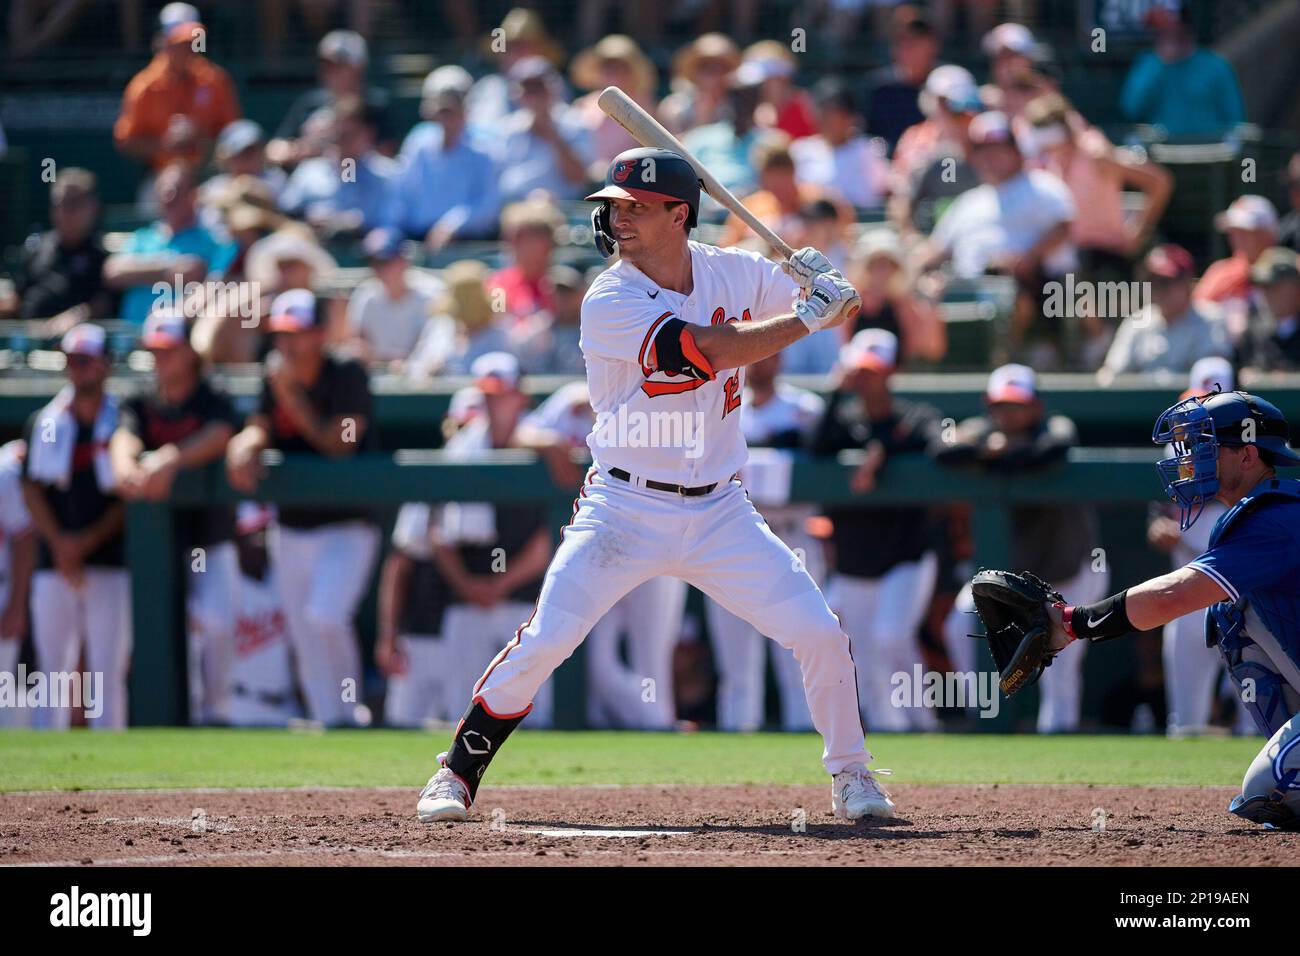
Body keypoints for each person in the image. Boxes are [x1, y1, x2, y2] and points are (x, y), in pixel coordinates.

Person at [415, 147, 889, 824]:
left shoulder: (732, 270)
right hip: (624, 506)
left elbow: (825, 301)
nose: (619, 218)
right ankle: (457, 773)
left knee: (818, 632)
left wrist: (823, 280)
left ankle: (852, 775)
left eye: (638, 207)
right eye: (614, 206)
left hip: (722, 508)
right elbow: (707, 352)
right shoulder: (610, 295)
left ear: (680, 215)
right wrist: (808, 315)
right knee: (549, 638)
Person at [1021, 389, 1300, 829]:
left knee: (1274, 787)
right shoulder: (1263, 511)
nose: (1190, 460)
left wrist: (1074, 622)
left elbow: (1174, 596)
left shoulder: (1272, 517)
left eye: (1206, 448)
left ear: (1248, 456)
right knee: (1231, 618)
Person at [225, 290, 380, 726]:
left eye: (296, 334)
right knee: (304, 632)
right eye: (280, 335)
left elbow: (342, 445)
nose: (287, 345)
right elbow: (259, 426)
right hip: (291, 526)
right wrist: (245, 444)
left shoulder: (346, 372)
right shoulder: (273, 377)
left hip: (347, 523)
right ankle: (328, 722)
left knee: (326, 616)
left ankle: (352, 713)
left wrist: (292, 398)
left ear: (318, 334)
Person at [934, 364, 1108, 733]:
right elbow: (942, 448)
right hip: (1013, 575)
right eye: (1001, 405)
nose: (1008, 414)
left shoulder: (1053, 429)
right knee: (959, 624)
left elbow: (1055, 448)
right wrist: (986, 449)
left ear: (1035, 406)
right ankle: (985, 718)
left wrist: (1003, 456)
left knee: (1059, 663)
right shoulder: (984, 432)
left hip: (1070, 568)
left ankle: (1058, 739)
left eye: (1017, 405)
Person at [110, 309, 239, 725]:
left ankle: (217, 713)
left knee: (217, 625)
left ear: (189, 352)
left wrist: (169, 459)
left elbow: (220, 434)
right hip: (155, 543)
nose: (160, 359)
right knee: (154, 634)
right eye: (155, 351)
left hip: (209, 536)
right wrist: (130, 466)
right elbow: (122, 438)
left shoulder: (210, 396)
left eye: (169, 351)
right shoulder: (140, 399)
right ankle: (171, 721)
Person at [811, 329, 942, 732]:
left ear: (891, 372)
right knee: (861, 655)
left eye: (874, 372)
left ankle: (925, 723)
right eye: (860, 372)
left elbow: (940, 444)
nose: (866, 380)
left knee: (890, 638)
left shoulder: (914, 416)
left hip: (905, 555)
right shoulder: (843, 420)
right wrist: (835, 393)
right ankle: (893, 733)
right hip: (854, 560)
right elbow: (815, 445)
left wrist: (883, 455)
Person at [434, 353, 555, 725]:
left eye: (501, 394)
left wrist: (501, 585)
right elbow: (439, 534)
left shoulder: (541, 447)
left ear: (520, 396)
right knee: (460, 710)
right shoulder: (460, 451)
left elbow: (549, 539)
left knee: (534, 715)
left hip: (525, 603)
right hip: (467, 598)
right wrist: (470, 586)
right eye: (487, 394)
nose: (493, 403)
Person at [706, 350, 822, 733]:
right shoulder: (719, 405)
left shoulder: (805, 409)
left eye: (770, 356)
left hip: (791, 534)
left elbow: (824, 461)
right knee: (737, 659)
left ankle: (806, 740)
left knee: (799, 649)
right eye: (754, 357)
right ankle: (738, 741)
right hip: (732, 537)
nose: (761, 364)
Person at [21, 325, 130, 729]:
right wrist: (62, 544)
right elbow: (32, 489)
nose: (77, 369)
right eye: (71, 361)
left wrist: (86, 542)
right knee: (51, 671)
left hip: (109, 558)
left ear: (105, 364)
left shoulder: (124, 417)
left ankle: (113, 762)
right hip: (55, 562)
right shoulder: (45, 421)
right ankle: (44, 770)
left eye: (85, 360)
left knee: (107, 671)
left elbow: (126, 495)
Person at [914, 111, 1076, 365]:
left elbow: (1064, 227)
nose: (990, 157)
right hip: (968, 286)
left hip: (1033, 287)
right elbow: (935, 250)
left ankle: (1007, 356)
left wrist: (1027, 258)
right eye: (982, 150)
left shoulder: (1041, 186)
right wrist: (919, 274)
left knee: (1014, 291)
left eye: (999, 149)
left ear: (1016, 151)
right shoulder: (969, 201)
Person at [1146, 359, 1238, 737]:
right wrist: (1158, 527)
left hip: (1244, 588)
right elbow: (1156, 514)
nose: (1202, 423)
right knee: (1185, 723)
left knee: (1260, 718)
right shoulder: (1176, 452)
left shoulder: (1258, 456)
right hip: (1185, 587)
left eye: (1212, 413)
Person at [102, 163, 236, 326]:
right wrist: (168, 270)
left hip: (178, 338)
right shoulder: (142, 238)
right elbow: (113, 272)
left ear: (192, 195)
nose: (169, 196)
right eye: (163, 190)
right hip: (130, 334)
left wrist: (173, 314)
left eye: (176, 190)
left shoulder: (210, 242)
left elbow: (216, 283)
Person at [113, 17, 240, 173]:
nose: (189, 50)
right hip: (161, 174)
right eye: (181, 44)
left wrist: (199, 136)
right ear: (164, 43)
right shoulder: (144, 86)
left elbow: (235, 132)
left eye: (192, 42)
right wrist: (164, 144)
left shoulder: (215, 79)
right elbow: (126, 141)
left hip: (210, 172)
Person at [394, 71, 500, 248]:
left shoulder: (485, 148)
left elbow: (488, 204)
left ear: (466, 108)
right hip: (417, 240)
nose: (447, 116)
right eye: (442, 109)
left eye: (454, 107)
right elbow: (402, 192)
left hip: (468, 243)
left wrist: (451, 226)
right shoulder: (418, 141)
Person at [376, 502, 457, 728]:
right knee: (402, 724)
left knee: (466, 729)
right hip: (418, 637)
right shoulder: (423, 503)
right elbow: (398, 568)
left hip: (468, 635)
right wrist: (388, 635)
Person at [1099, 244, 1229, 381]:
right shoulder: (1137, 322)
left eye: (1165, 282)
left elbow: (1213, 380)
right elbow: (1111, 375)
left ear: (1187, 282)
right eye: (1151, 281)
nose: (1158, 289)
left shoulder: (1211, 319)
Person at [268, 30, 396, 167]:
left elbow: (386, 154)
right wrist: (302, 149)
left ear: (359, 67)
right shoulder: (310, 102)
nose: (329, 71)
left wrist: (336, 147)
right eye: (326, 65)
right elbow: (273, 150)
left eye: (338, 65)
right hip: (310, 180)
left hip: (355, 176)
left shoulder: (375, 105)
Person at [224, 504, 301, 727]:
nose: (261, 540)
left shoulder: (283, 579)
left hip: (286, 706)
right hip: (241, 703)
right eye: (253, 534)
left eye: (265, 532)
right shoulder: (225, 584)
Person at [278, 97, 399, 238]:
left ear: (367, 133)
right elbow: (287, 213)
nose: (342, 141)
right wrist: (309, 219)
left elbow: (394, 223)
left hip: (366, 250)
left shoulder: (387, 174)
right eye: (337, 134)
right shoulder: (310, 171)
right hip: (315, 248)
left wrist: (355, 222)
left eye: (349, 135)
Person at [1119, 4, 1244, 139]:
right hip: (1161, 150)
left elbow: (1236, 119)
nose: (1169, 34)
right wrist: (1161, 63)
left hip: (1208, 150)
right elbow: (1131, 109)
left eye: (1173, 29)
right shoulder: (1148, 63)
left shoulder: (1216, 65)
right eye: (1163, 31)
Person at [10, 168, 113, 328]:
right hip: (27, 339)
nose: (66, 211)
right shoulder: (35, 249)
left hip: (76, 344)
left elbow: (103, 303)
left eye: (74, 203)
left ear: (93, 207)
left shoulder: (102, 256)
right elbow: (16, 300)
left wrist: (76, 316)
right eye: (60, 203)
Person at [494, 57, 594, 204]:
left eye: (538, 88)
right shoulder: (508, 129)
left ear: (553, 89)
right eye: (527, 90)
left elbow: (578, 177)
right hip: (515, 211)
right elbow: (499, 181)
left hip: (563, 210)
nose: (533, 96)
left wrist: (551, 134)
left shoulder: (574, 122)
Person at [844, 228, 946, 365]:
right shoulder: (850, 304)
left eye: (889, 264)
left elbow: (931, 350)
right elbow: (841, 348)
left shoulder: (904, 304)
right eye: (876, 264)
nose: (882, 271)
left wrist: (932, 305)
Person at [345, 227, 442, 365]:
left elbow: (435, 349)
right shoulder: (365, 294)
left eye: (385, 262)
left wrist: (408, 364)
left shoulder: (431, 294)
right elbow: (357, 341)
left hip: (419, 378)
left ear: (403, 260)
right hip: (375, 376)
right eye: (373, 262)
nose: (378, 269)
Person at [791, 79, 890, 211]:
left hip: (863, 227)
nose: (825, 118)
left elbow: (884, 193)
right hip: (814, 226)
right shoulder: (799, 151)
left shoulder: (870, 150)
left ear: (850, 116)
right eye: (821, 110)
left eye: (833, 111)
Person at [569, 34, 659, 177]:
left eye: (620, 66)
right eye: (607, 66)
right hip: (581, 182)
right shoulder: (581, 105)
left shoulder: (646, 107)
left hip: (627, 183)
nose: (613, 71)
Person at [407, 260, 513, 379]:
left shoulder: (499, 334)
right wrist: (430, 370)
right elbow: (416, 368)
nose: (468, 304)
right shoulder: (441, 327)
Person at [1195, 195, 1280, 341]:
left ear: (1268, 235)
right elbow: (1195, 316)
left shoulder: (1291, 271)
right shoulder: (1220, 272)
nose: (1236, 237)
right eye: (1233, 231)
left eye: (1245, 231)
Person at [861, 7, 940, 153]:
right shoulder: (879, 88)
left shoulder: (945, 84)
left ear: (932, 44)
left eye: (916, 40)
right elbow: (869, 138)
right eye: (902, 41)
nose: (908, 49)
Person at [0, 439, 36, 728]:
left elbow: (24, 538)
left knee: (5, 698)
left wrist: (16, 605)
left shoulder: (4, 472)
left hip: (3, 587)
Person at [488, 199, 564, 323]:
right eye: (518, 237)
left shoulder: (563, 285)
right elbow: (497, 324)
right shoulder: (498, 287)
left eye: (541, 235)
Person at [511, 265, 589, 376]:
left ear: (581, 294)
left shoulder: (592, 329)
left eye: (568, 292)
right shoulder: (536, 329)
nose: (562, 298)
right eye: (557, 292)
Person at [659, 33, 740, 136]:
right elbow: (670, 147)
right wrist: (703, 119)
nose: (715, 74)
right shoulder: (675, 106)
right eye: (706, 67)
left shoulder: (739, 105)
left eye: (723, 67)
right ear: (693, 71)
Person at [1235, 247, 1300, 374]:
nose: (1266, 294)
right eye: (1262, 286)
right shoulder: (1252, 331)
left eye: (1273, 286)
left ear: (1296, 286)